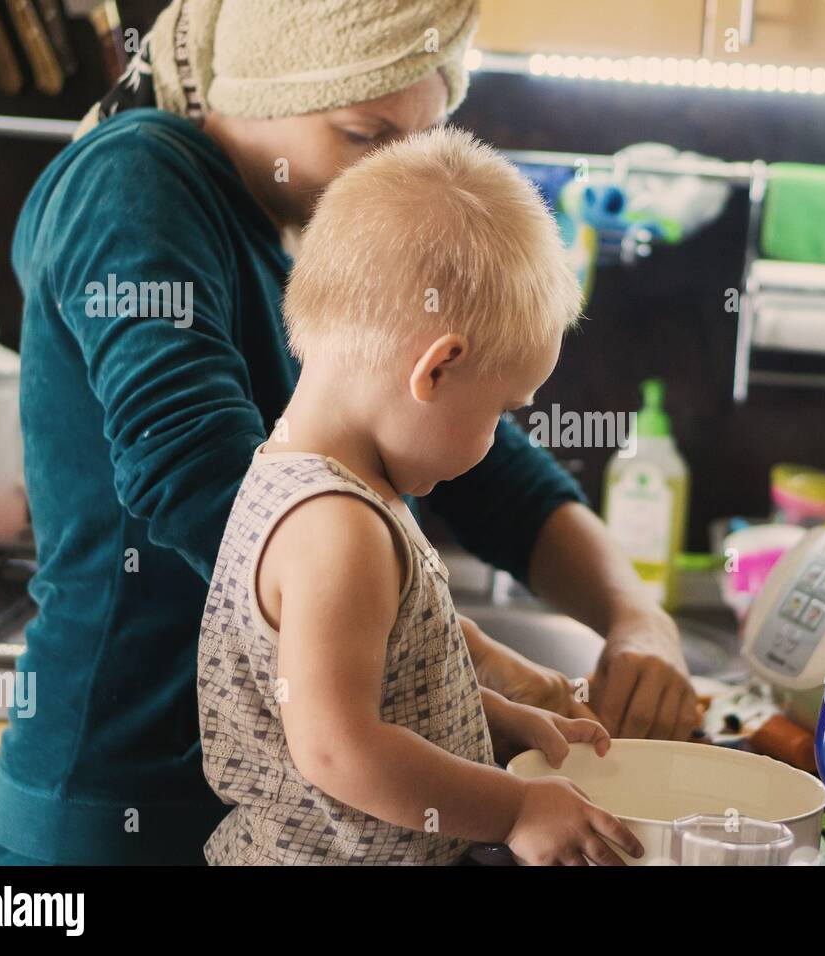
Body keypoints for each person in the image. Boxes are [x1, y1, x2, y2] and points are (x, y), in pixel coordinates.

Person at [0, 0, 696, 866]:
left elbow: (482, 451)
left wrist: (635, 616)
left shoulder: (294, 226)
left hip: (268, 817)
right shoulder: (134, 181)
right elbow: (191, 467)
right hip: (114, 806)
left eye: (422, 136)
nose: (393, 171)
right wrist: (446, 653)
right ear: (267, 85)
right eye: (365, 132)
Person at [200, 127, 644, 866]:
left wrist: (484, 720)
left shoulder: (308, 477)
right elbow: (339, 750)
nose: (497, 439)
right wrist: (516, 808)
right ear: (437, 370)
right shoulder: (336, 527)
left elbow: (375, 696)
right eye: (504, 411)